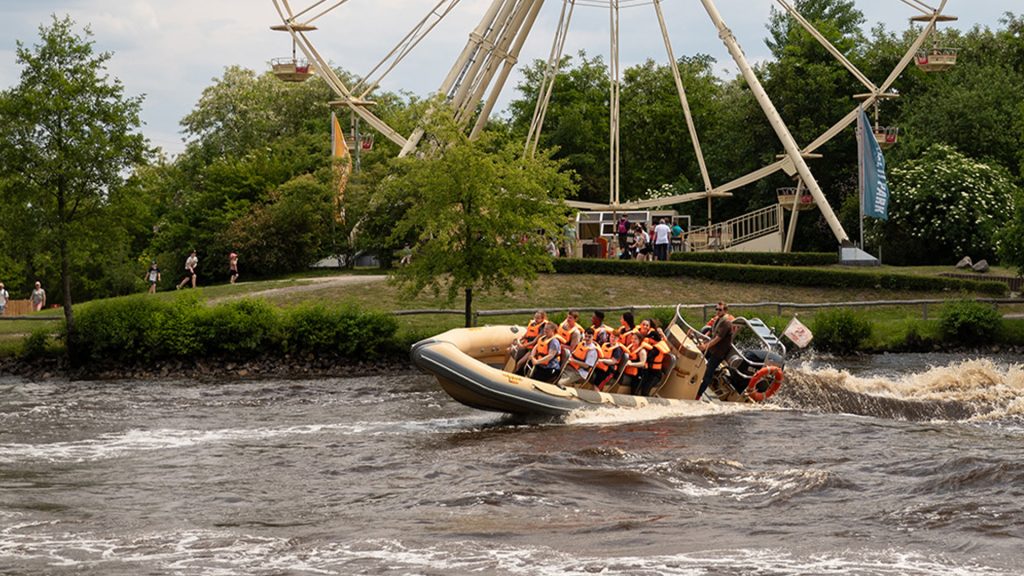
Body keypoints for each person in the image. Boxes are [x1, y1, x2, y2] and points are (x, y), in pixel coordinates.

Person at [694, 304, 735, 400]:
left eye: (720, 310)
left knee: (708, 372)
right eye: (716, 309)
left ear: (725, 311)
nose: (717, 311)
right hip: (712, 349)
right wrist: (700, 338)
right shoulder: (717, 320)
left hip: (718, 352)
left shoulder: (726, 323)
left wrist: (705, 346)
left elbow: (718, 338)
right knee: (697, 359)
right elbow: (711, 333)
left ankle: (697, 395)